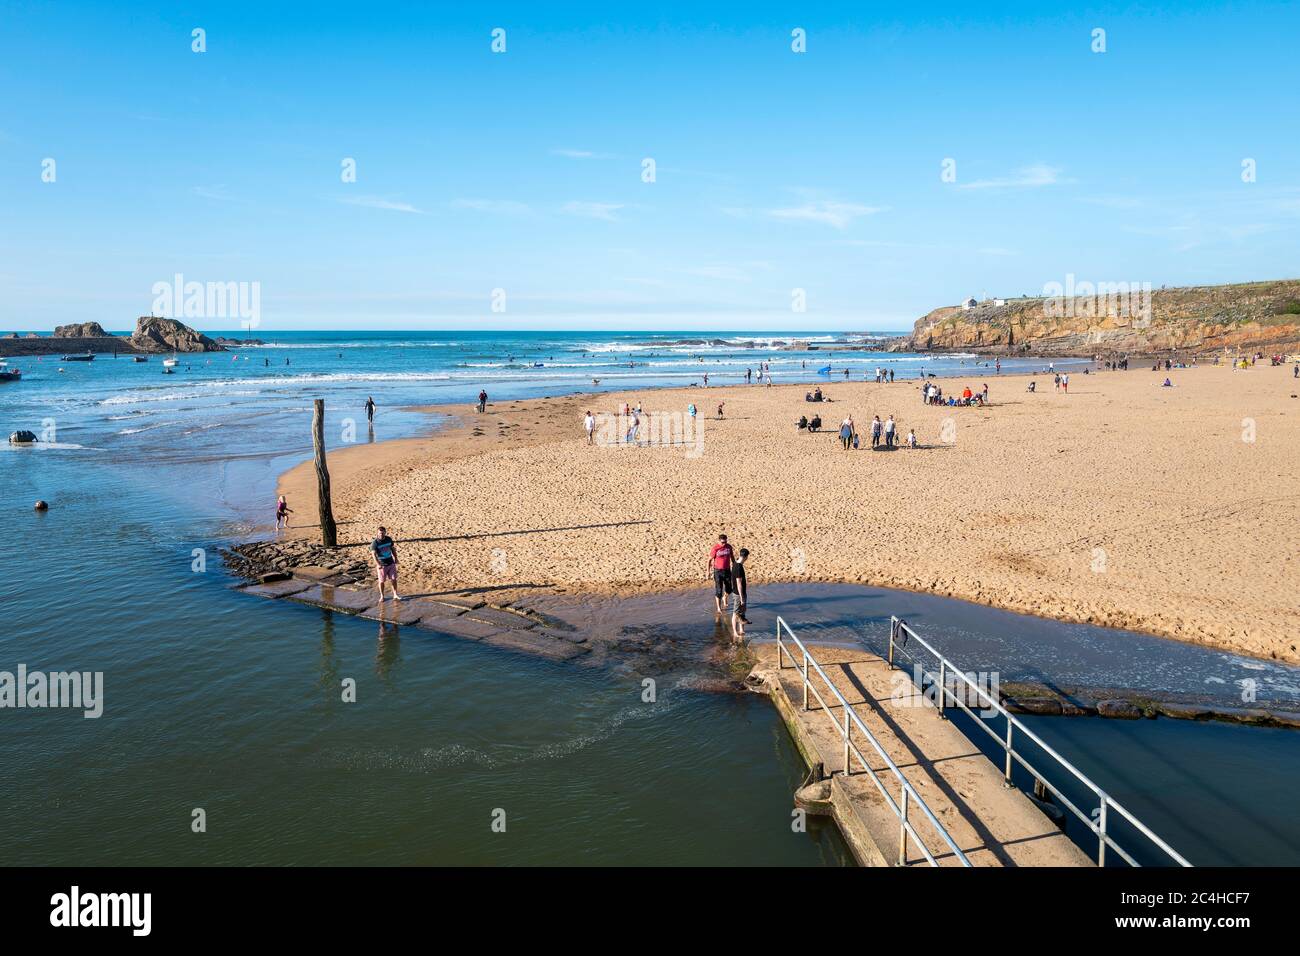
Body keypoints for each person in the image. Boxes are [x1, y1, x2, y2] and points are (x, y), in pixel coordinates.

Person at [372, 526, 401, 602]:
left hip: (391, 563)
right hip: (382, 565)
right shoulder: (375, 543)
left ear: (385, 532)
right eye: (379, 533)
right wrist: (378, 564)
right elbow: (373, 555)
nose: (381, 534)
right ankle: (382, 596)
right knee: (381, 581)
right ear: (377, 533)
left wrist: (396, 558)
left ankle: (395, 594)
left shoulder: (388, 539)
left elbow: (392, 549)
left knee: (394, 579)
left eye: (382, 533)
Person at [708, 534, 735, 614]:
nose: (724, 544)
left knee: (729, 589)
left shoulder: (729, 547)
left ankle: (725, 597)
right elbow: (709, 560)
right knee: (719, 591)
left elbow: (732, 557)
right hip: (718, 571)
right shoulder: (715, 548)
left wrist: (735, 566)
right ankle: (719, 608)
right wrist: (708, 572)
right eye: (722, 542)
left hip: (727, 570)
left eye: (725, 542)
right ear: (719, 541)